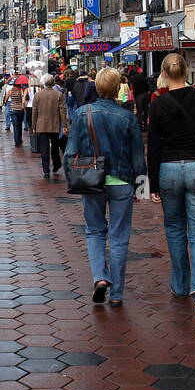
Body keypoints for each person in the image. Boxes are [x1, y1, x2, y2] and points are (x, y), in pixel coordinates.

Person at [147, 53, 195, 316]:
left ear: (165, 74)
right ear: (186, 71)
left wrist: (153, 183)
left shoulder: (157, 104)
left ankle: (180, 284)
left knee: (174, 227)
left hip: (168, 168)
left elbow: (154, 147)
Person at [64, 67, 145, 307]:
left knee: (95, 231)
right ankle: (117, 294)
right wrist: (141, 186)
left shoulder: (81, 114)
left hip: (92, 180)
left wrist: (74, 178)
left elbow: (70, 152)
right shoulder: (127, 117)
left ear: (96, 88)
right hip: (122, 181)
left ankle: (100, 277)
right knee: (119, 237)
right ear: (117, 87)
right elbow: (138, 156)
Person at [31, 75, 69, 179]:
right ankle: (56, 164)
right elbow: (62, 111)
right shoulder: (59, 95)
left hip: (41, 124)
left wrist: (33, 125)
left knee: (44, 148)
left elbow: (34, 111)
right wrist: (65, 125)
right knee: (55, 146)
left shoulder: (38, 95)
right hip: (54, 124)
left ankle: (46, 170)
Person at [6, 79, 28, 146]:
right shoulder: (21, 90)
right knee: (20, 125)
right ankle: (20, 139)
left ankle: (16, 141)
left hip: (13, 110)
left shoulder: (10, 91)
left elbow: (6, 100)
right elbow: (24, 99)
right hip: (20, 110)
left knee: (15, 126)